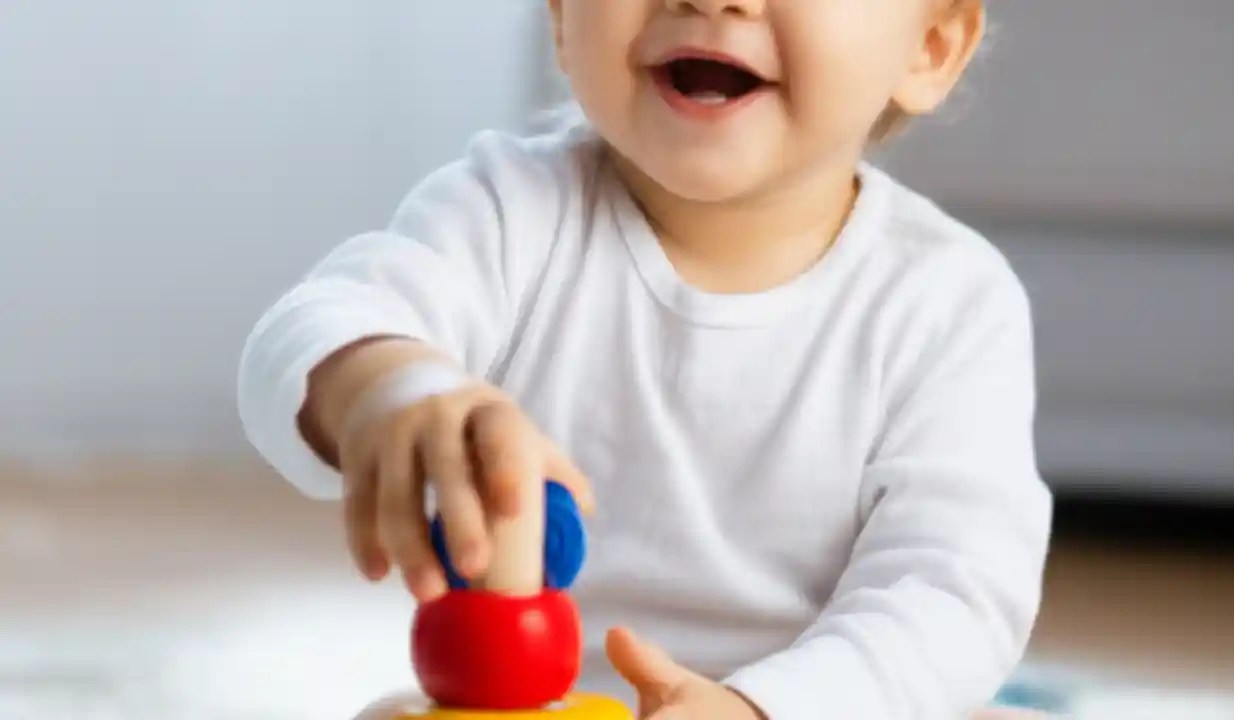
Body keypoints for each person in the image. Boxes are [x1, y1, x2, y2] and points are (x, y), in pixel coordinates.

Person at [238, 1, 1054, 717]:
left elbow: (952, 592)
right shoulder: (505, 211)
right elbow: (317, 325)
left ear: (931, 48)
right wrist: (388, 389)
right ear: (561, 15)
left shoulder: (948, 301)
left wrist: (764, 707)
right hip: (540, 703)